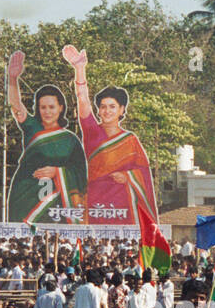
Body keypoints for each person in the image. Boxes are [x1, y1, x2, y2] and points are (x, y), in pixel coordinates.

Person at [63, 44, 157, 227]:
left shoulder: (130, 140)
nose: (107, 111)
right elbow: (82, 99)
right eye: (103, 106)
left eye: (112, 106)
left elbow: (144, 175)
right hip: (95, 201)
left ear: (122, 110)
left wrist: (128, 176)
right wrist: (80, 69)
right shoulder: (92, 131)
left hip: (123, 203)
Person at [5, 51, 89, 225]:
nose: (47, 111)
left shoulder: (70, 140)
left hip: (58, 200)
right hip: (26, 195)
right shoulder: (32, 128)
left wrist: (57, 172)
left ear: (60, 108)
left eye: (52, 107)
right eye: (43, 107)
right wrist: (12, 79)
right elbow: (16, 107)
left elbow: (80, 172)